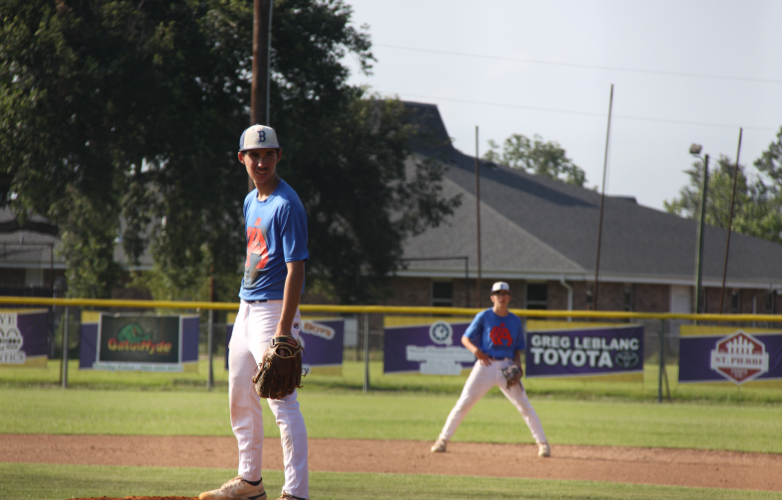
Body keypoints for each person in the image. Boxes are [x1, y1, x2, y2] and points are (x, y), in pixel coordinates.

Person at [200, 125, 310, 500]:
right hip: (246, 306)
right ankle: (250, 482)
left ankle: (296, 492)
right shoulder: (251, 201)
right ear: (242, 158)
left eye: (268, 154)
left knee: (281, 400)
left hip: (274, 311)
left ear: (279, 156)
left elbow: (296, 269)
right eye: (254, 155)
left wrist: (284, 330)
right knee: (240, 394)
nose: (261, 162)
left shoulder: (287, 204)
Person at [430, 281, 550, 458]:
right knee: (464, 403)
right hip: (484, 366)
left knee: (525, 406)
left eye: (505, 293)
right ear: (492, 297)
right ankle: (442, 440)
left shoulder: (515, 321)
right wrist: (476, 351)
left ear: (509, 297)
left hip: (507, 366)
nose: (502, 297)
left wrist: (518, 365)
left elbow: (517, 348)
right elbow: (465, 338)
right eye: (498, 293)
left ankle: (543, 444)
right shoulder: (484, 316)